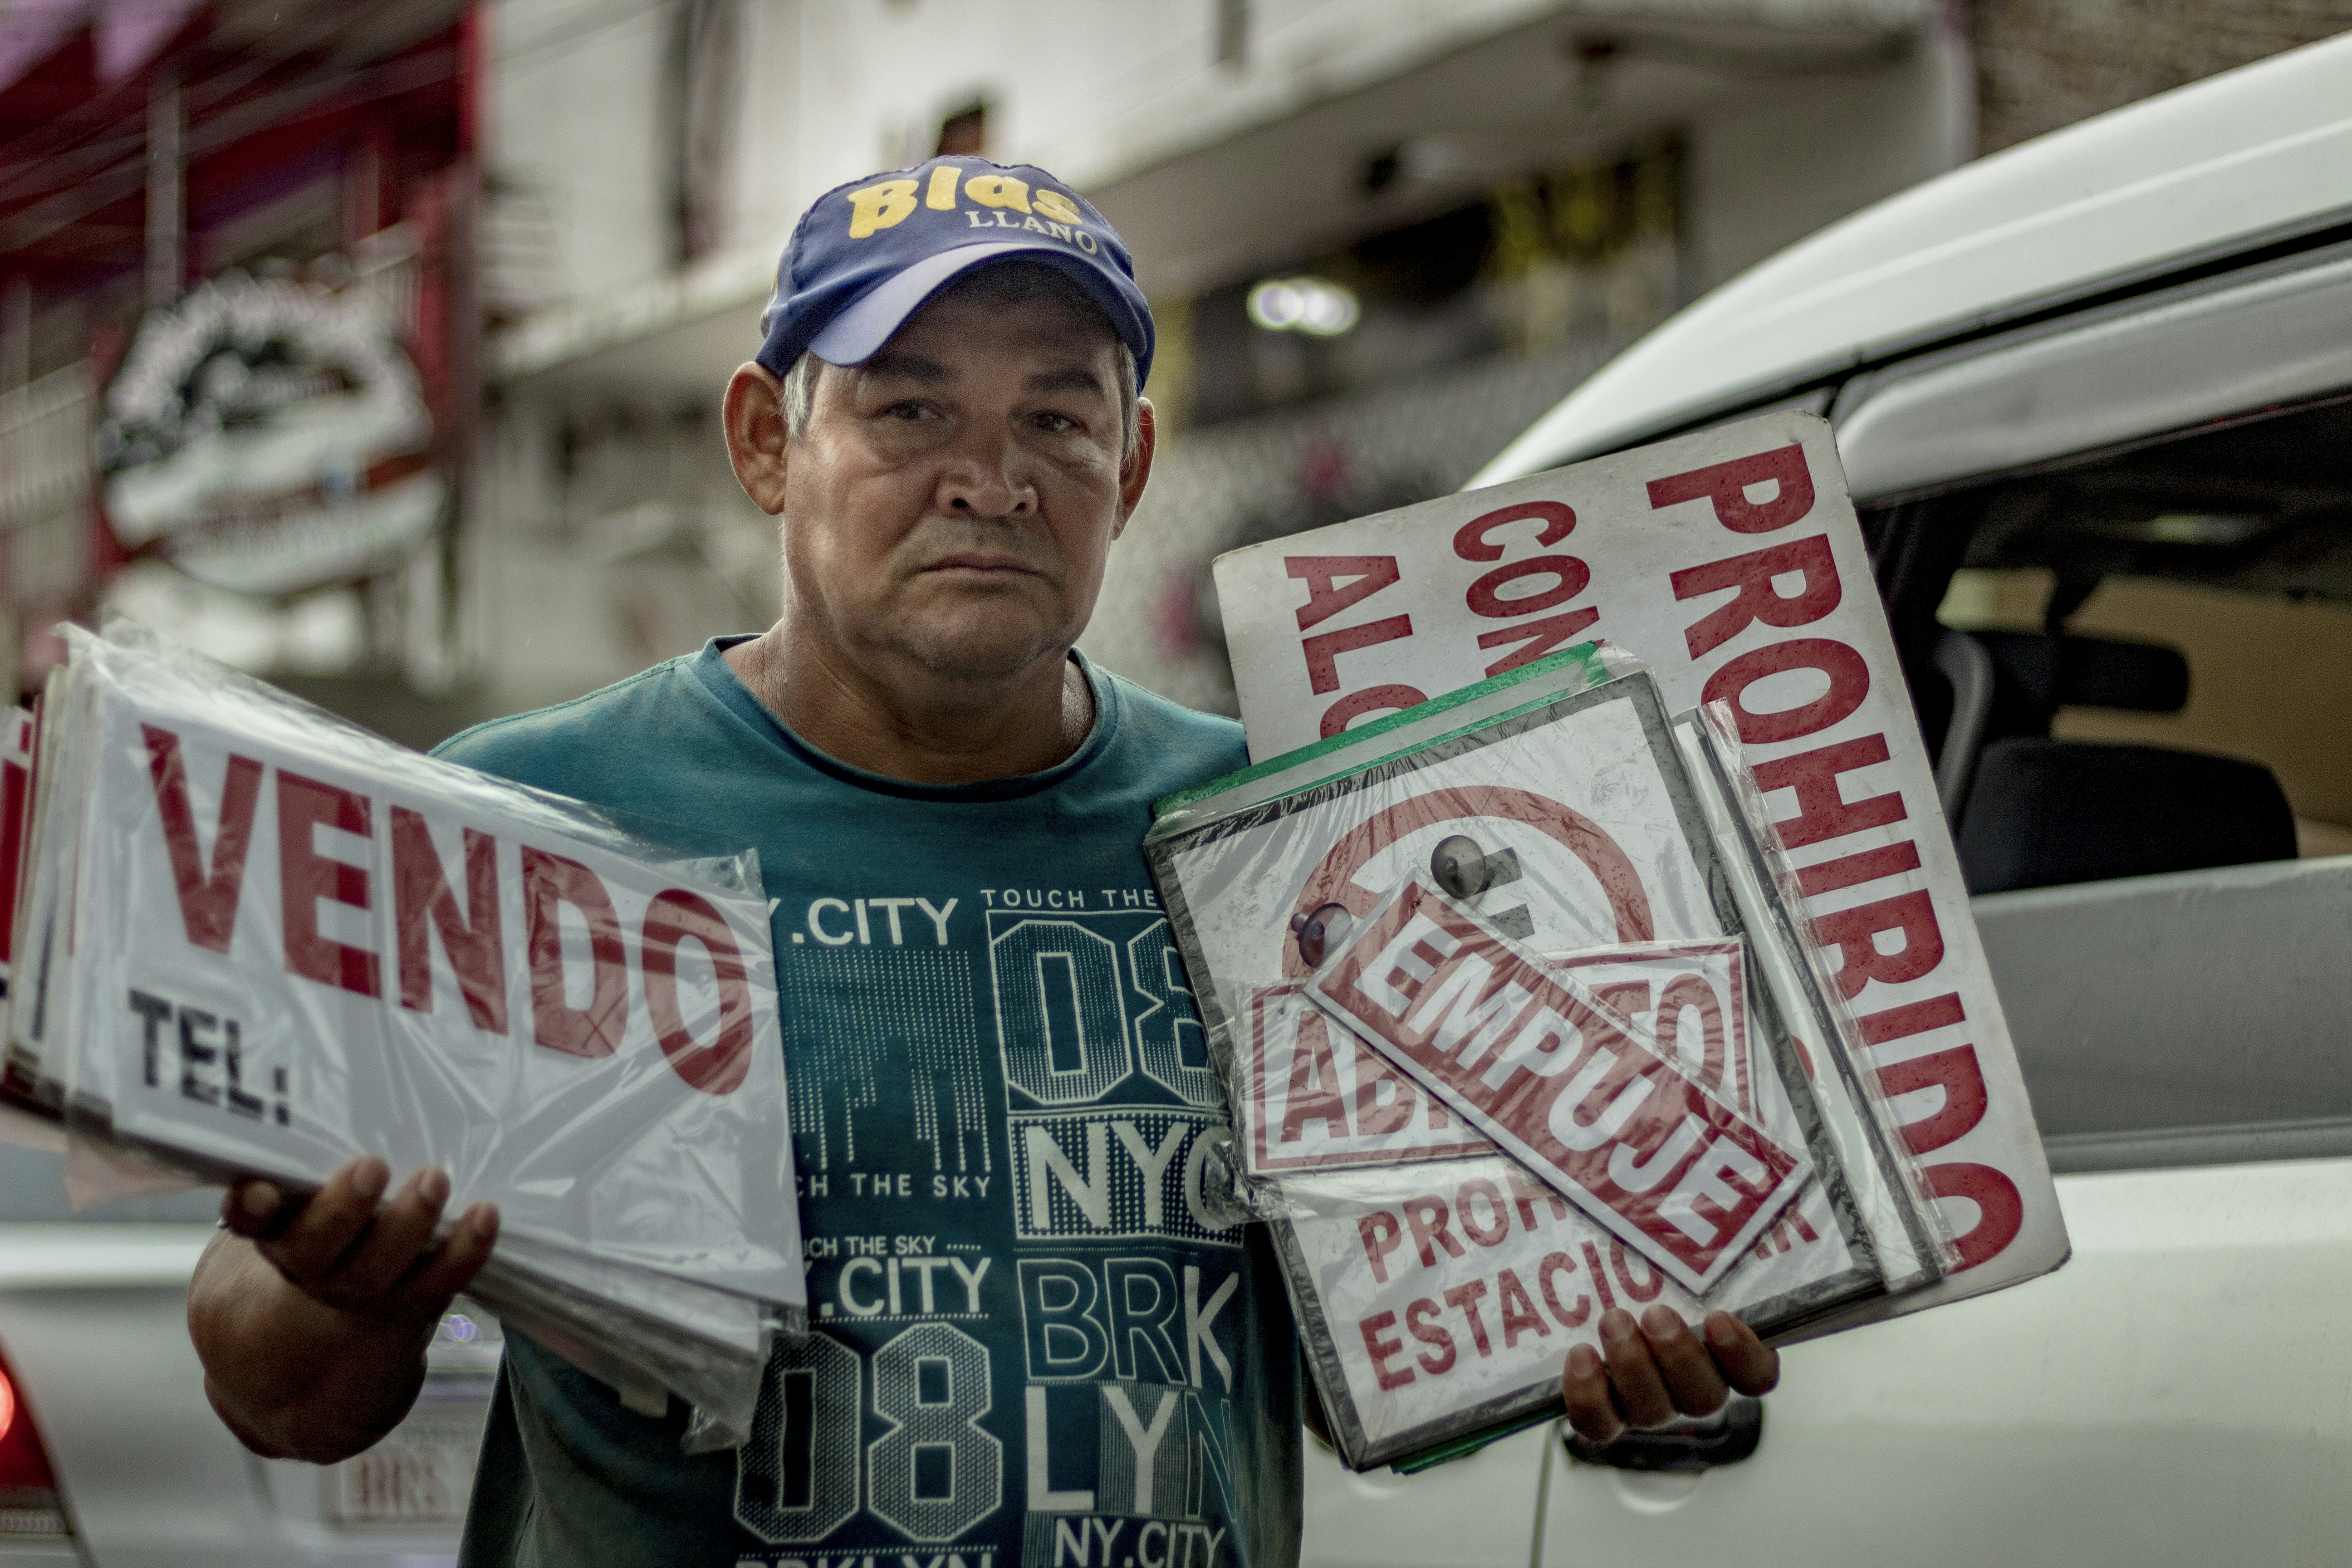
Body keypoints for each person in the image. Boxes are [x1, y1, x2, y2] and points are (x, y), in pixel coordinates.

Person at [186, 154, 1779, 1566]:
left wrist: (1607, 1346)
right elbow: (279, 1392)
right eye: (909, 408)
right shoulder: (536, 822)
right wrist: (352, 1283)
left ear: (1130, 469)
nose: (993, 479)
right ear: (766, 441)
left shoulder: (1285, 835)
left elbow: (1429, 1306)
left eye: (1058, 419)